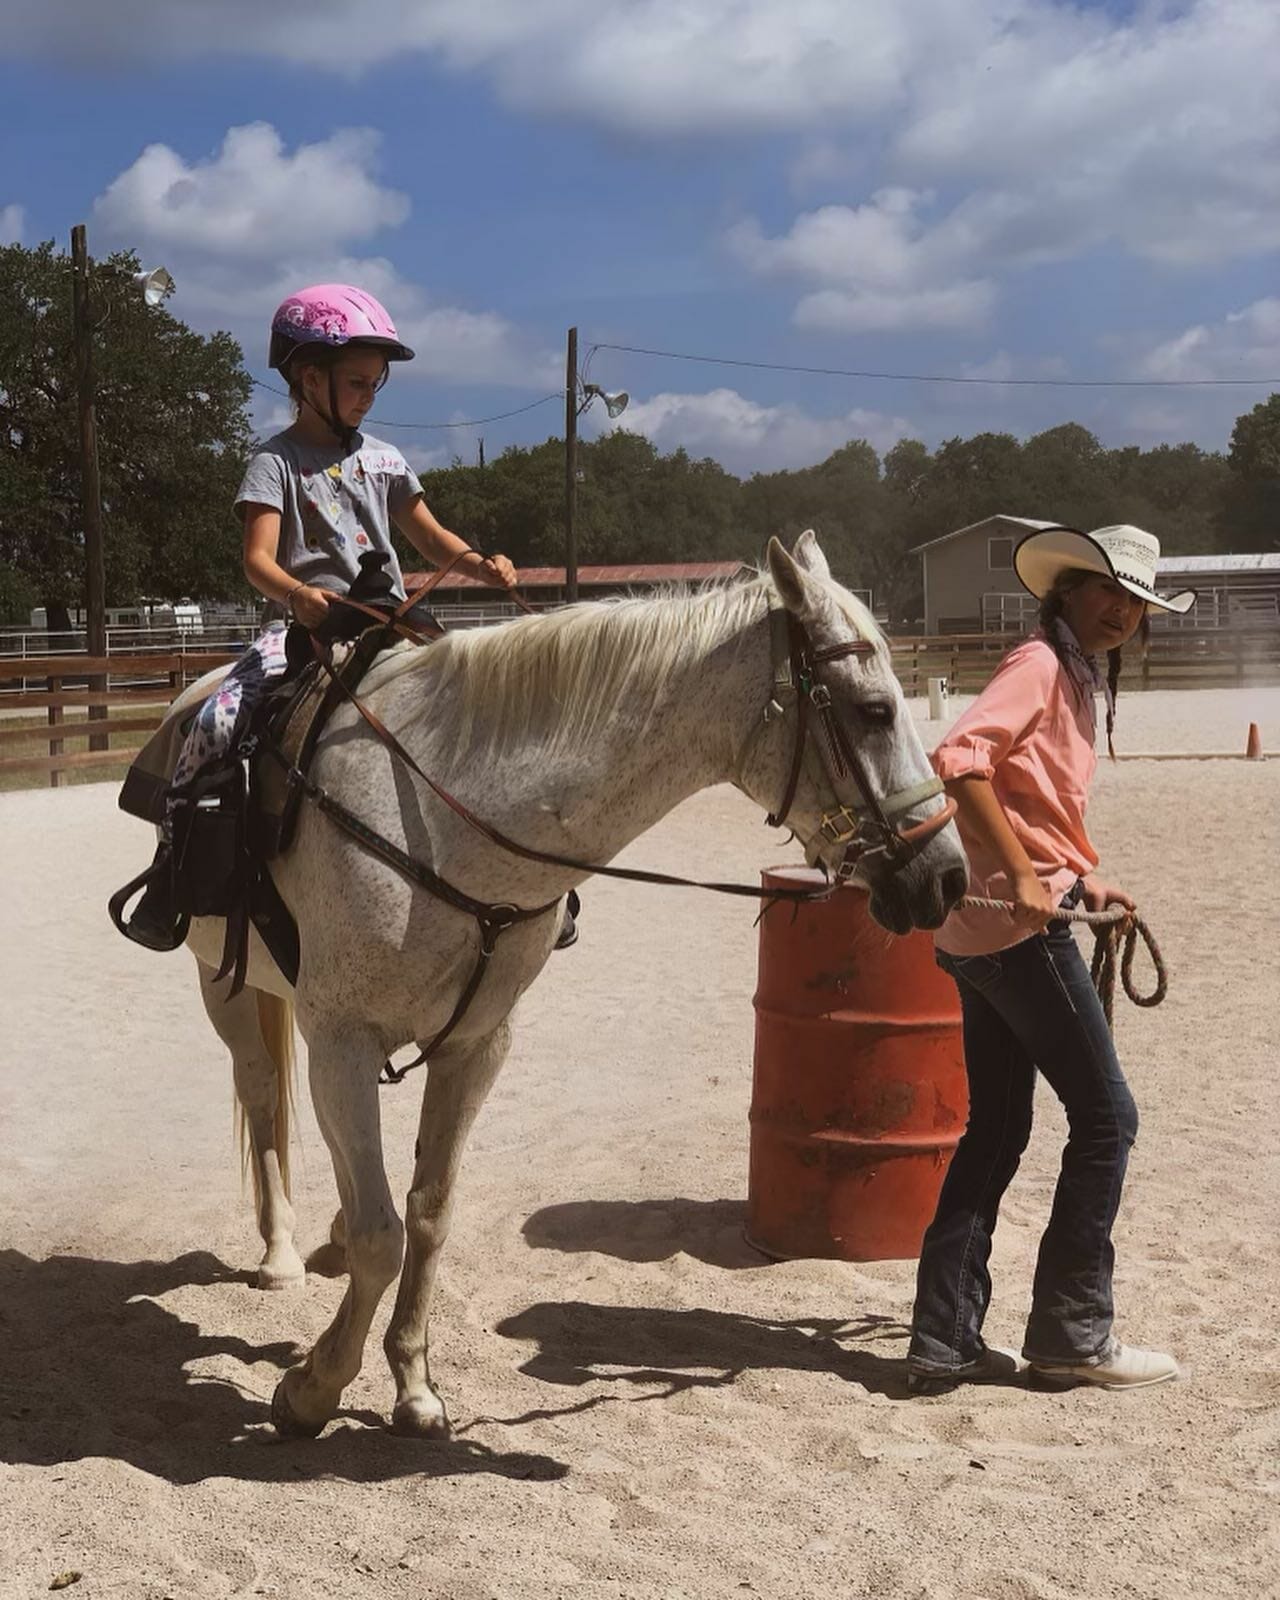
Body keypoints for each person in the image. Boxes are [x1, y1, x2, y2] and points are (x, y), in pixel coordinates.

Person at [122, 283, 520, 950]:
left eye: (376, 383)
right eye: (358, 381)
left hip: (391, 622)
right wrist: (296, 595)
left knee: (488, 707)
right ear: (309, 378)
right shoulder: (274, 462)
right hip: (310, 625)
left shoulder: (387, 460)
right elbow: (257, 560)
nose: (369, 395)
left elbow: (430, 537)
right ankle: (172, 870)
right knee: (217, 721)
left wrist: (482, 565)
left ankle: (521, 878)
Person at [906, 524, 1195, 1395]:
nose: (1121, 612)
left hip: (981, 928)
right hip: (1012, 927)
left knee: (997, 1130)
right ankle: (1073, 1332)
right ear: (1065, 590)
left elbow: (1034, 799)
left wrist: (1079, 878)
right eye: (1109, 593)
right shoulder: (1038, 664)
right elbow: (959, 763)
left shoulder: (1071, 672)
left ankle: (944, 1338)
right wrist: (1032, 879)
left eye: (1136, 603)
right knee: (1108, 1119)